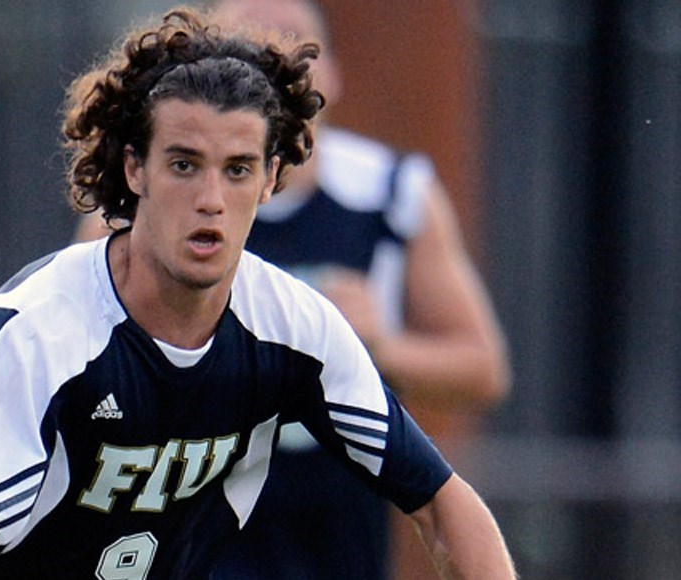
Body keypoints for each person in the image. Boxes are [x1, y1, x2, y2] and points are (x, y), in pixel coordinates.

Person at [0, 7, 516, 579]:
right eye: (184, 165)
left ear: (270, 180)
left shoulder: (296, 328)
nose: (210, 200)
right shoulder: (39, 331)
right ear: (134, 168)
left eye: (237, 170)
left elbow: (442, 502)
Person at [197, 1, 512, 579]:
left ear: (334, 74)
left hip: (337, 539)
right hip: (192, 527)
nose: (273, 60)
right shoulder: (150, 202)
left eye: (295, 44)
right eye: (245, 44)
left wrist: (379, 345)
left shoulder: (391, 195)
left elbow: (482, 367)